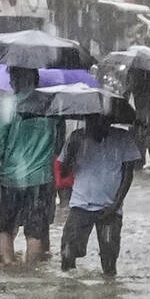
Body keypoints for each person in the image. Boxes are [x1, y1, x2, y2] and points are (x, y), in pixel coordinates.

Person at [0, 66, 61, 265]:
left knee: (5, 229)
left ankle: (9, 269)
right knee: (35, 232)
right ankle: (30, 274)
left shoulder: (9, 105)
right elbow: (59, 144)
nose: (10, 82)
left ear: (17, 78)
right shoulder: (51, 106)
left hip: (11, 178)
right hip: (41, 179)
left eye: (11, 77)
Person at [57, 114, 142, 276]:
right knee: (67, 253)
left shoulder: (122, 138)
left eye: (99, 120)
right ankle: (69, 288)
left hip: (110, 209)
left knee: (109, 260)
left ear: (108, 121)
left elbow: (128, 174)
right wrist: (70, 154)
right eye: (90, 120)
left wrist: (116, 204)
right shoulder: (77, 138)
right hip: (80, 206)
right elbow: (63, 173)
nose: (94, 125)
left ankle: (109, 289)